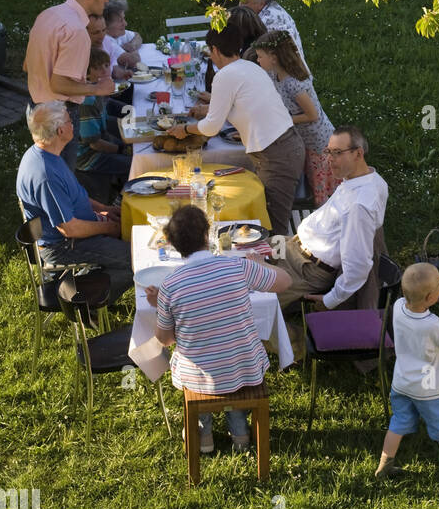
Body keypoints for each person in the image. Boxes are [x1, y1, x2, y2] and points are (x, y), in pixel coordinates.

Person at [145, 204, 293, 454]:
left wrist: (161, 305)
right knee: (231, 366)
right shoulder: (237, 267)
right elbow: (285, 282)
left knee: (202, 366)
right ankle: (240, 433)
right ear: (207, 235)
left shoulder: (170, 286)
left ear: (171, 244)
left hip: (199, 376)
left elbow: (165, 340)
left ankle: (204, 437)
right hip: (243, 366)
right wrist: (262, 265)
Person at [166, 22, 304, 238]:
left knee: (273, 225)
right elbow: (239, 103)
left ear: (214, 50)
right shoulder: (250, 67)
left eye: (209, 52)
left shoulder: (225, 75)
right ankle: (271, 265)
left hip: (277, 155)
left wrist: (185, 128)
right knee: (266, 219)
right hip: (284, 147)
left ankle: (280, 267)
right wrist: (208, 109)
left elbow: (211, 128)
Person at [16, 101, 133, 298]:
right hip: (63, 245)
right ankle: (84, 297)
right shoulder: (46, 174)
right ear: (61, 131)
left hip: (74, 233)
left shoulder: (48, 153)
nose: (74, 125)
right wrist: (109, 228)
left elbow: (75, 194)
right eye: (70, 121)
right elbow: (69, 228)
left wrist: (103, 209)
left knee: (133, 234)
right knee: (135, 259)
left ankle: (90, 277)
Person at [273, 126, 387, 310]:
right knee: (240, 251)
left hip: (306, 269)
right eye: (329, 152)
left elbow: (357, 267)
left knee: (250, 294)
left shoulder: (359, 206)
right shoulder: (368, 178)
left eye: (337, 153)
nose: (330, 159)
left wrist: (330, 300)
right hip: (291, 246)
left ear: (358, 154)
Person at [376, 262, 439, 478]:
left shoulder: (398, 306)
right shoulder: (434, 325)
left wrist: (430, 297)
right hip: (429, 389)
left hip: (402, 382)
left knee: (398, 421)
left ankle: (384, 464)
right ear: (430, 298)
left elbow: (417, 307)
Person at [24, 0, 114, 170]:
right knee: (61, 179)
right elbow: (59, 83)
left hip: (37, 109)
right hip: (58, 115)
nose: (107, 1)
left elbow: (26, 65)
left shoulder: (48, 14)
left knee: (49, 175)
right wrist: (96, 88)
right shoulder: (76, 31)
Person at [250, 30, 336, 206]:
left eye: (260, 57)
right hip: (304, 139)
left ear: (273, 57)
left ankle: (327, 216)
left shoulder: (292, 83)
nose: (258, 61)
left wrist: (284, 120)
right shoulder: (275, 75)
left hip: (317, 142)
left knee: (320, 186)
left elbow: (312, 115)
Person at [77, 48, 132, 186]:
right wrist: (121, 150)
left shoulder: (99, 91)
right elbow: (95, 143)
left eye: (106, 65)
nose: (104, 70)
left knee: (136, 148)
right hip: (88, 157)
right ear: (87, 74)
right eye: (97, 68)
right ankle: (120, 197)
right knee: (134, 165)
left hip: (102, 141)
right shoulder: (87, 101)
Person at [241, 0, 306, 64]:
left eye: (245, 2)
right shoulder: (273, 9)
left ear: (261, 4)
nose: (240, 5)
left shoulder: (268, 19)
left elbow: (251, 56)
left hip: (287, 72)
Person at [102, 0, 142, 75]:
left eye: (124, 19)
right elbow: (133, 62)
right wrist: (133, 50)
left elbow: (137, 35)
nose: (125, 23)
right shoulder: (106, 41)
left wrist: (132, 45)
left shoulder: (116, 33)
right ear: (106, 25)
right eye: (120, 21)